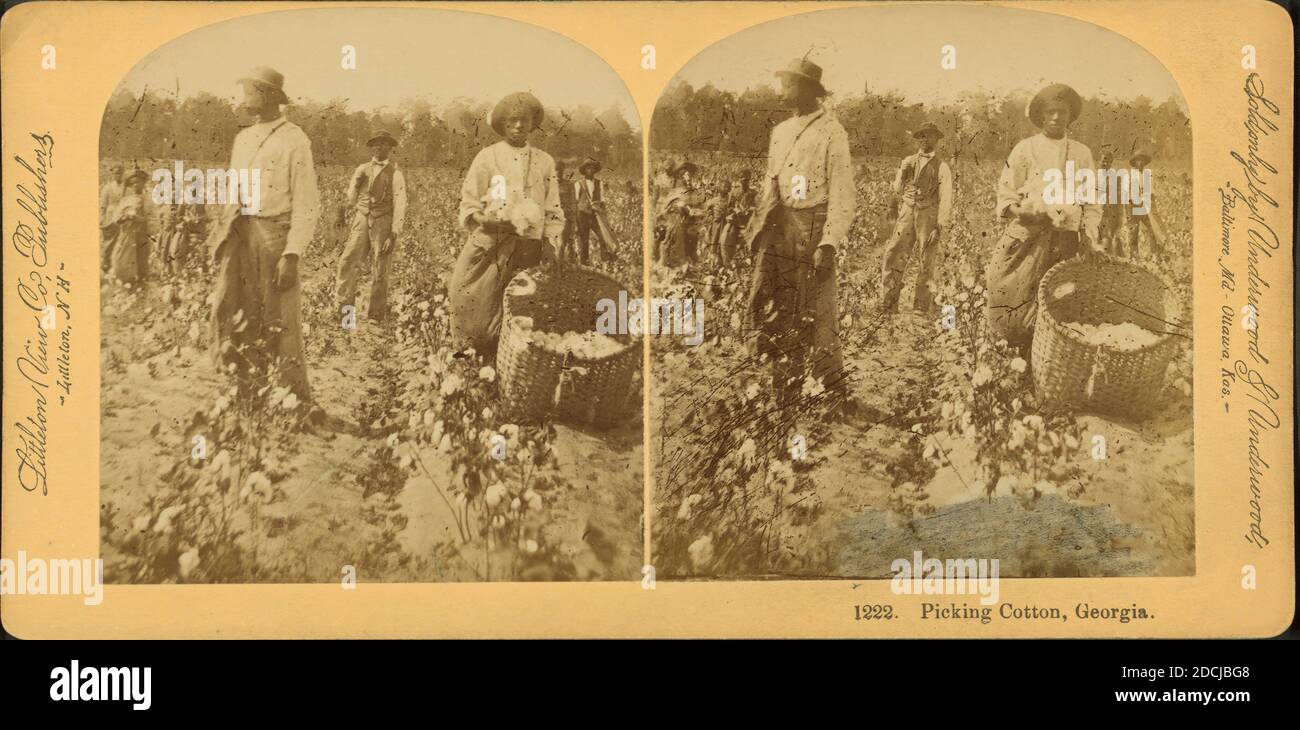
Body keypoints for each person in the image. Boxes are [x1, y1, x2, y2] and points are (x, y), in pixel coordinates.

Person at [743, 57, 854, 405]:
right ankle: (782, 378)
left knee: (817, 308)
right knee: (772, 299)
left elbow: (842, 192)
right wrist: (760, 226)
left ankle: (830, 385)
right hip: (780, 224)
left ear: (808, 89)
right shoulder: (780, 132)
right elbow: (770, 183)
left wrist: (829, 242)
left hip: (812, 225)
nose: (783, 90)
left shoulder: (832, 132)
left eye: (789, 84)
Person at [206, 66, 320, 401]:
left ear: (267, 95)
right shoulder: (242, 139)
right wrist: (224, 236)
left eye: (249, 91)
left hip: (275, 237)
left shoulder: (294, 140)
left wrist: (292, 253)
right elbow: (232, 191)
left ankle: (290, 396)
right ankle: (246, 385)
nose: (243, 99)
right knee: (238, 309)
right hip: (242, 233)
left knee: (280, 319)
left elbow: (306, 202)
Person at [984, 83, 1102, 349]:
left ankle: (1048, 356)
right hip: (1028, 233)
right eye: (1051, 112)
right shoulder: (1025, 149)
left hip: (1065, 237)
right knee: (1003, 283)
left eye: (1063, 111)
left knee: (1057, 298)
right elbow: (1007, 190)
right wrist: (1020, 212)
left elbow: (1092, 201)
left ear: (1071, 115)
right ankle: (1012, 347)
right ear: (1041, 116)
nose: (1057, 117)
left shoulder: (1082, 154)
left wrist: (1090, 235)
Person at [448, 91, 563, 355]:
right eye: (513, 121)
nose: (519, 126)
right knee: (464, 293)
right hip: (490, 240)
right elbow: (469, 200)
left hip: (527, 246)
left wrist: (551, 243)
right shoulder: (488, 157)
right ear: (503, 125)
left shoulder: (544, 162)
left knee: (521, 307)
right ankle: (472, 353)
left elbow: (553, 209)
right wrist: (481, 218)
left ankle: (511, 362)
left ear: (533, 124)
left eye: (525, 120)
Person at [880, 121, 953, 314]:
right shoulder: (908, 161)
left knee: (926, 257)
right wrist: (895, 199)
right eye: (921, 135)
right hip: (907, 210)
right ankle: (890, 298)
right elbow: (896, 188)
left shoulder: (942, 167)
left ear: (936, 139)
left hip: (927, 215)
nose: (924, 139)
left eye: (928, 135)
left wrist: (939, 226)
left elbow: (946, 199)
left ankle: (921, 303)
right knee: (894, 252)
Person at [335, 130, 407, 324]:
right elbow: (351, 195)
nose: (379, 147)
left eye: (384, 144)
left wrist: (394, 233)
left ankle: (375, 315)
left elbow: (400, 204)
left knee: (380, 267)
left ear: (390, 148)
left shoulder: (396, 174)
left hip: (383, 221)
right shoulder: (362, 169)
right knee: (348, 261)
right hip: (362, 216)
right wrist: (341, 211)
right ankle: (345, 314)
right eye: (376, 143)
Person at [103, 169, 153, 285]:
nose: (136, 185)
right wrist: (125, 218)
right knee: (121, 261)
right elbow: (116, 218)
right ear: (130, 184)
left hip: (141, 235)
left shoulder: (148, 200)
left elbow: (152, 219)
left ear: (143, 183)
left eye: (138, 182)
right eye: (133, 182)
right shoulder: (126, 200)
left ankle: (142, 286)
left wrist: (139, 219)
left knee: (142, 262)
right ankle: (126, 285)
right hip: (126, 235)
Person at [654, 162, 704, 268]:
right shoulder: (677, 190)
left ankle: (692, 256)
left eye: (690, 176)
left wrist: (695, 211)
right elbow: (670, 205)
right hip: (675, 218)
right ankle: (670, 261)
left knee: (695, 233)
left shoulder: (693, 190)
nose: (688, 178)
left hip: (690, 220)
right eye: (686, 176)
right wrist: (681, 207)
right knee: (676, 233)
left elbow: (698, 205)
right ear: (682, 176)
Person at [1120, 151, 1166, 262]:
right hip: (1133, 206)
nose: (1140, 163)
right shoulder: (1129, 175)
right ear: (1134, 162)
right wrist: (1128, 212)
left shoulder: (1147, 175)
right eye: (1138, 160)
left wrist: (1153, 209)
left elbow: (1151, 194)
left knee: (1152, 229)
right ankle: (1134, 256)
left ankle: (1154, 254)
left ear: (1145, 162)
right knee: (1134, 232)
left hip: (1145, 206)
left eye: (1142, 161)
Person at [573, 157, 612, 264]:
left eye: (592, 168)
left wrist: (604, 214)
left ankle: (605, 259)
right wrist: (576, 220)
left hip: (596, 215)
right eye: (588, 168)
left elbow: (602, 200)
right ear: (584, 170)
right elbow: (576, 202)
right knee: (584, 239)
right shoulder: (578, 184)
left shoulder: (599, 183)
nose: (590, 170)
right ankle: (584, 262)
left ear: (595, 170)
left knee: (602, 235)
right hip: (582, 214)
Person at [100, 163, 125, 272]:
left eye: (120, 173)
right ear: (113, 175)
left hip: (122, 218)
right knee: (109, 243)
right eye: (116, 174)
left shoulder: (126, 187)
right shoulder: (107, 188)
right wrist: (101, 219)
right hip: (110, 218)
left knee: (122, 242)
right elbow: (103, 206)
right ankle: (106, 265)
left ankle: (118, 267)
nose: (118, 175)